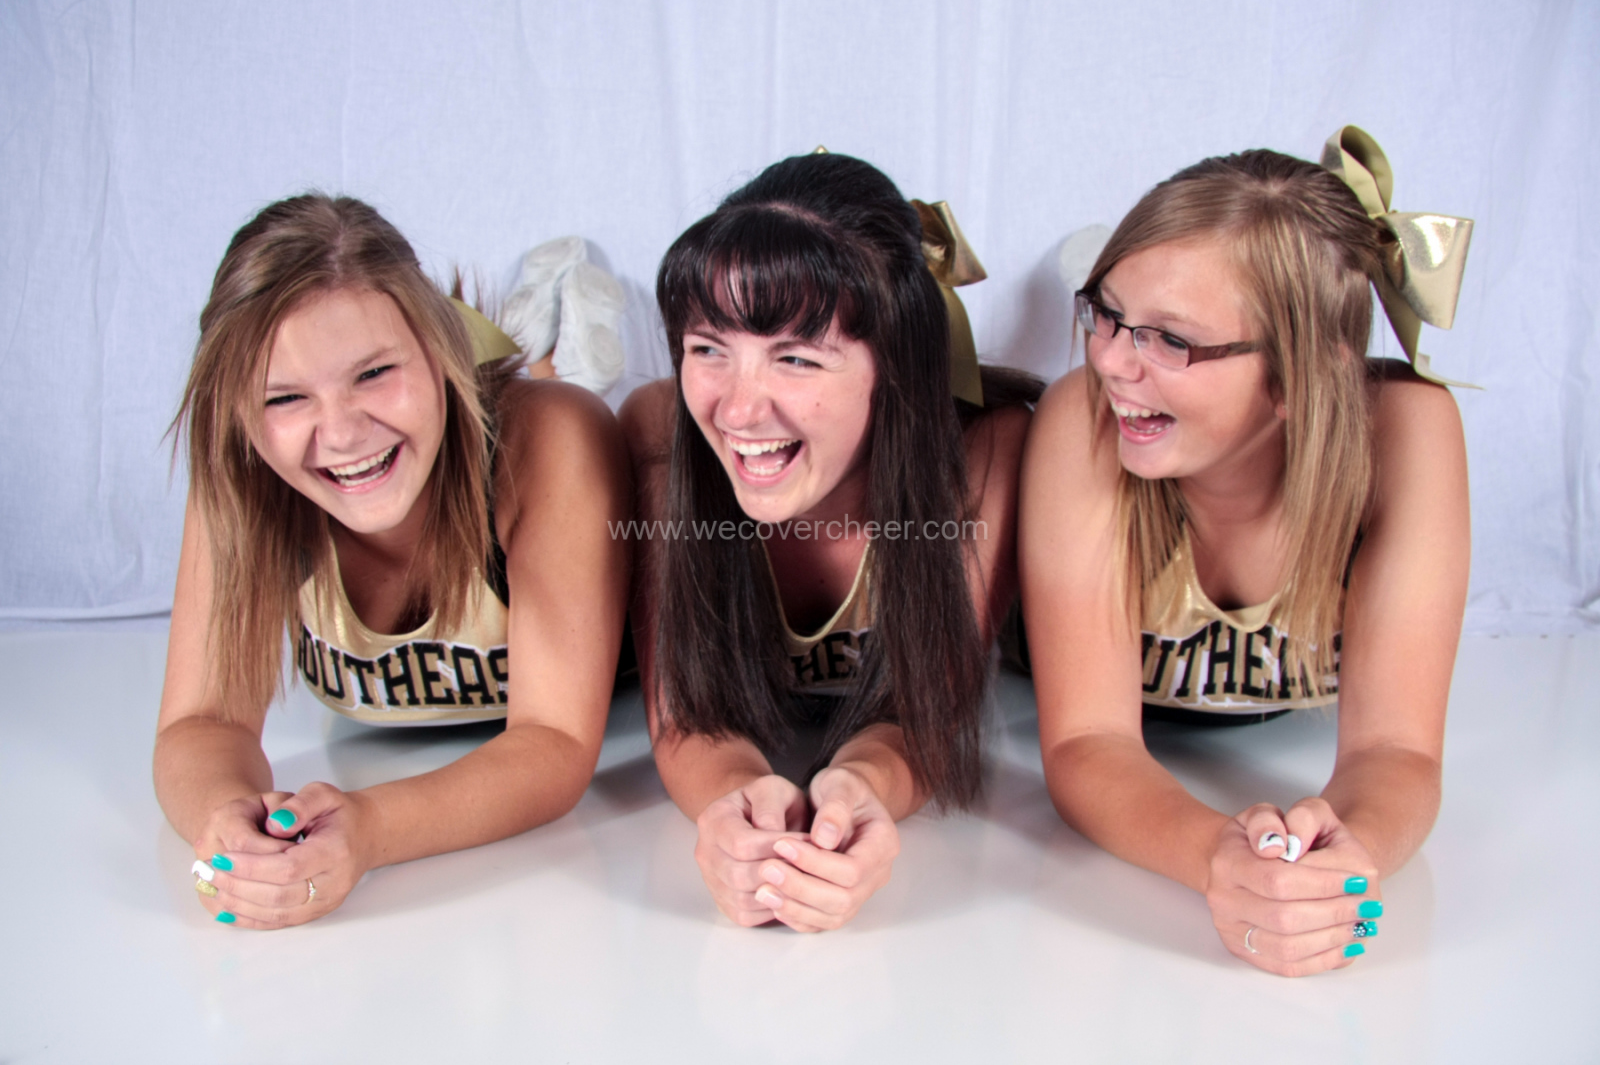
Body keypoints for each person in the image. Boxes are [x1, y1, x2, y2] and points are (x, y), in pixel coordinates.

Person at [1020, 127, 1473, 975]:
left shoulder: (1408, 431)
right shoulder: (1083, 419)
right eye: (1108, 314)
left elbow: (1396, 750)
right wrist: (1222, 859)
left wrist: (1340, 862)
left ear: (1302, 376)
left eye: (1171, 340)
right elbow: (1087, 739)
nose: (1112, 361)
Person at [156, 194, 630, 928]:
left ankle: (550, 325)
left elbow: (555, 743)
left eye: (374, 372)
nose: (343, 434)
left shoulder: (550, 442)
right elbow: (202, 719)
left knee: (579, 393)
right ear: (240, 413)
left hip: (539, 444)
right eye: (284, 398)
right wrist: (233, 824)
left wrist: (369, 829)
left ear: (438, 350)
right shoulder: (244, 479)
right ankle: (522, 326)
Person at [622, 151, 1041, 932]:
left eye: (796, 357)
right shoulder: (658, 428)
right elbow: (684, 712)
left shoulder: (987, 451)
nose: (737, 410)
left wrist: (862, 787)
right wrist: (735, 808)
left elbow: (931, 709)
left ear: (897, 368)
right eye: (708, 347)